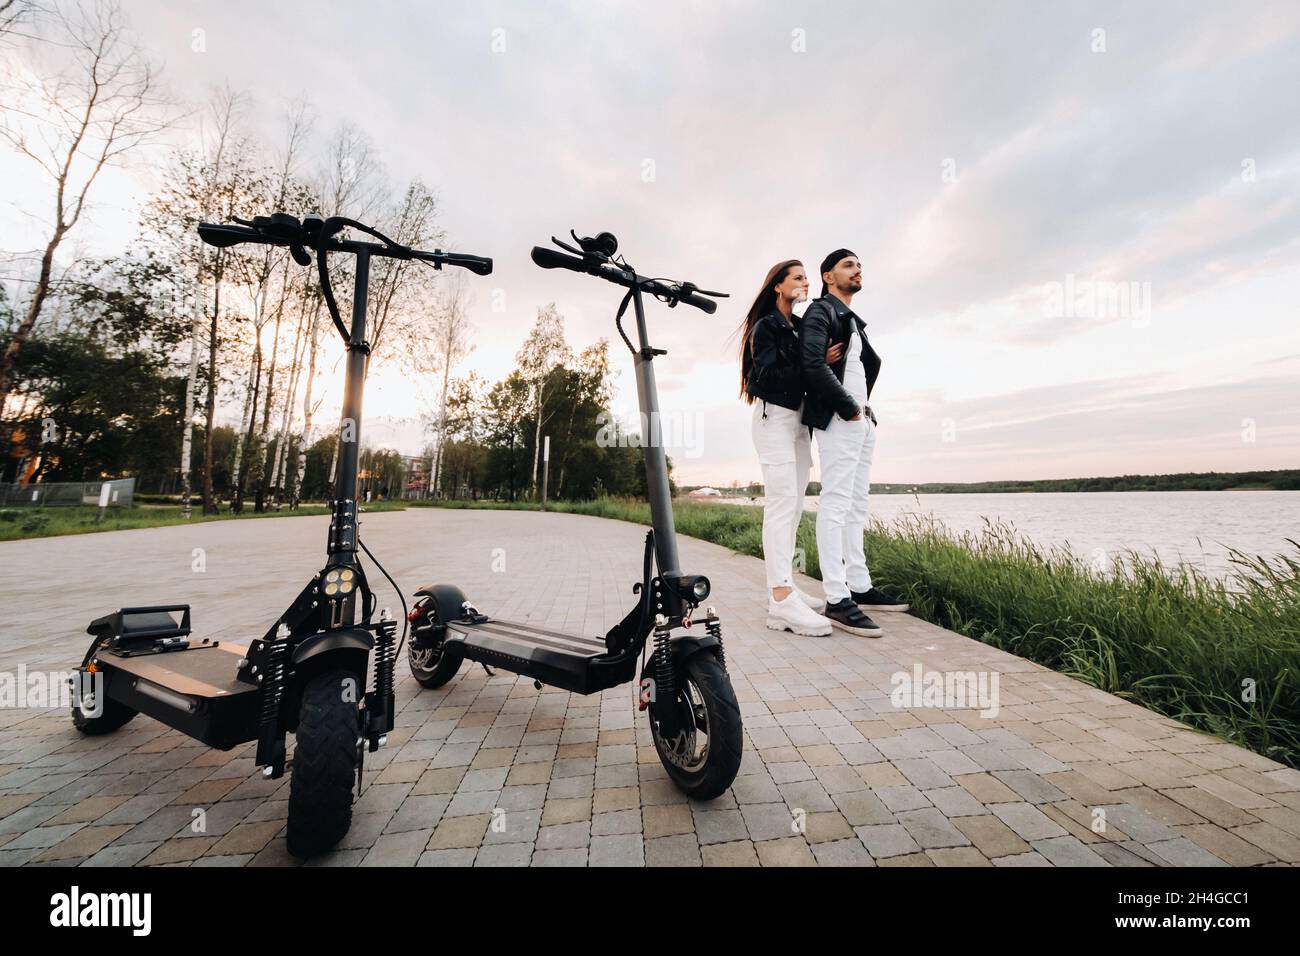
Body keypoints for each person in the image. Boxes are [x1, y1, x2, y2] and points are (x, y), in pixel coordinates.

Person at [799, 248, 909, 637]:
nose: (858, 270)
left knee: (857, 503)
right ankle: (836, 596)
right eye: (849, 265)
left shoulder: (852, 321)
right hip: (839, 419)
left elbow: (858, 369)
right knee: (835, 502)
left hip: (861, 420)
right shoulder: (820, 312)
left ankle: (859, 586)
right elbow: (810, 365)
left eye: (860, 265)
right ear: (829, 276)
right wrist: (849, 408)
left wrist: (865, 411)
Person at [738, 259, 841, 636]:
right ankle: (781, 600)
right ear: (779, 286)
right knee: (781, 505)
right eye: (797, 277)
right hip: (774, 420)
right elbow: (762, 380)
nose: (805, 282)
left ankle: (786, 588)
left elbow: (810, 372)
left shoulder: (799, 327)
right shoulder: (767, 327)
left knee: (795, 505)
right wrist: (809, 362)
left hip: (799, 423)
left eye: (806, 278)